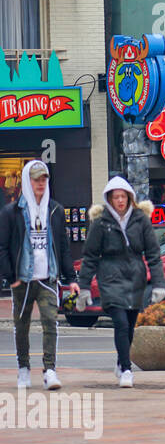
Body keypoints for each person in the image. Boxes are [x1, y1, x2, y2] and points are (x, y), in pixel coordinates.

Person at [76, 176, 165, 388]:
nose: (120, 201)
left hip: (135, 277)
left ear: (130, 197)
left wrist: (159, 283)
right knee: (121, 323)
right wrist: (85, 287)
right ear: (109, 199)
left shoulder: (140, 220)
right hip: (110, 277)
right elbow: (90, 256)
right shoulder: (101, 223)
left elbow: (153, 252)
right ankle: (127, 369)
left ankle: (120, 359)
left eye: (123, 196)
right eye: (116, 197)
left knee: (131, 325)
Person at [0, 160, 79, 389]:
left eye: (44, 179)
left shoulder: (55, 210)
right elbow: (2, 247)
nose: (40, 183)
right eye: (36, 179)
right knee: (21, 325)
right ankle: (23, 368)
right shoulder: (11, 212)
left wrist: (71, 279)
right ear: (27, 180)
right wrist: (10, 276)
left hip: (47, 278)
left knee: (50, 323)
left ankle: (50, 370)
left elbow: (63, 247)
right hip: (22, 280)